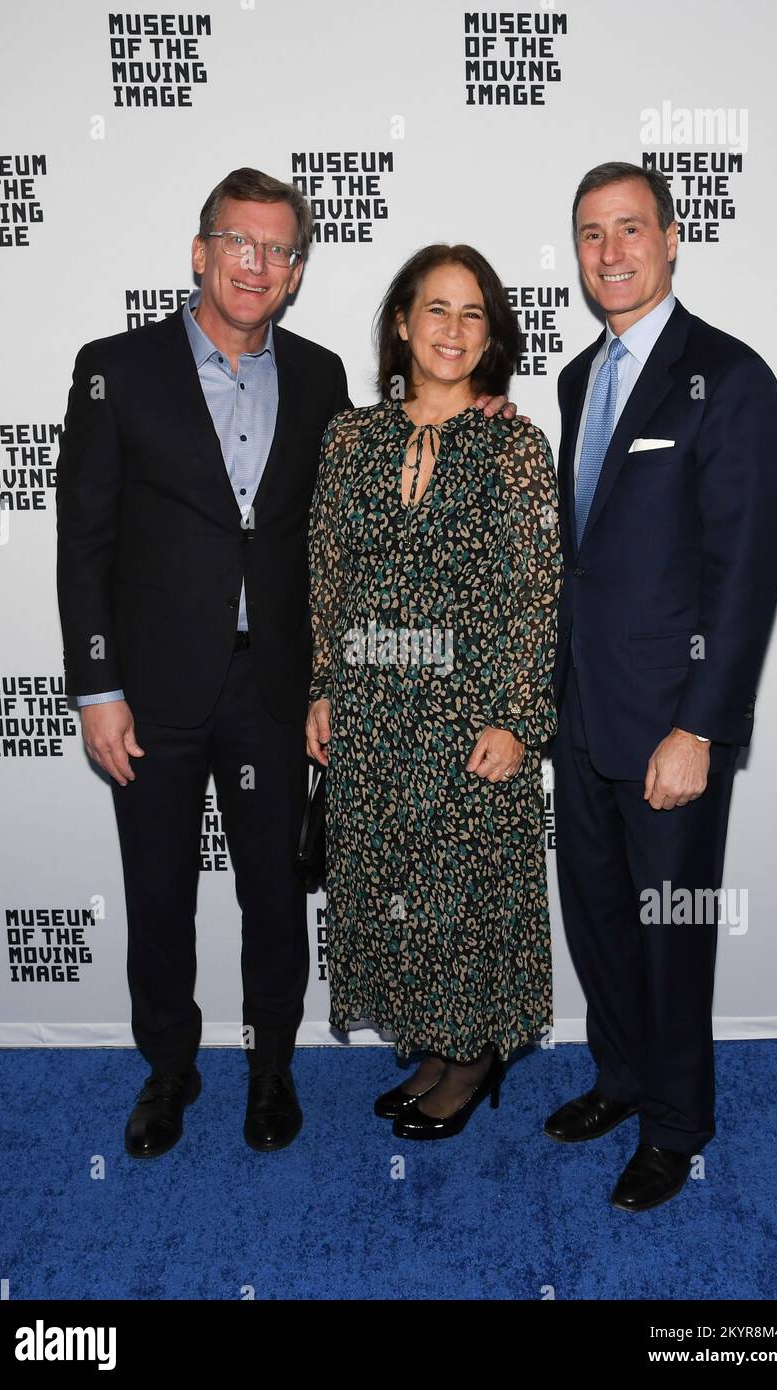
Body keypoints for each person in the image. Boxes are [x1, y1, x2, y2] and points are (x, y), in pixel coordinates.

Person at [56, 170, 515, 1159]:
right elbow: (83, 543)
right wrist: (96, 689)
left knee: (274, 893)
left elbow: (384, 499)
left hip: (276, 689)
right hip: (155, 690)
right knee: (158, 894)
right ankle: (170, 1069)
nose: (257, 264)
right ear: (200, 252)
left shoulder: (316, 381)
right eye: (238, 243)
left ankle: (272, 1069)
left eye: (277, 249)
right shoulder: (115, 369)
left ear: (299, 269)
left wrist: (488, 413)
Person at [546, 162, 777, 1209]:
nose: (611, 252)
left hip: (668, 728)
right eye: (592, 233)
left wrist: (700, 727)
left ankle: (676, 1123)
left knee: (669, 928)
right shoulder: (574, 378)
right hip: (582, 715)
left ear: (673, 237)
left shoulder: (728, 376)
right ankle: (621, 1075)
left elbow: (745, 572)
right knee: (597, 917)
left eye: (631, 229)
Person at [306, 244, 562, 1139]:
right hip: (375, 718)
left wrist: (519, 717)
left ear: (491, 336)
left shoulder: (515, 444)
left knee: (462, 895)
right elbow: (327, 571)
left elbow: (538, 590)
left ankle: (471, 1057)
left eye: (472, 314)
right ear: (402, 325)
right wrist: (324, 688)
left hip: (469, 718)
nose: (452, 330)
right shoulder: (351, 438)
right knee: (395, 888)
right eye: (436, 310)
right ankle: (437, 1045)